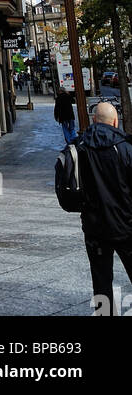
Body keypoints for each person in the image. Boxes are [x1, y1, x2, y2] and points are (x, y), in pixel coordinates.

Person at [56, 100, 132, 315]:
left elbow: (67, 187)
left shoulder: (78, 148)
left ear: (94, 120)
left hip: (94, 227)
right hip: (126, 226)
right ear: (115, 121)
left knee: (101, 281)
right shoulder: (126, 148)